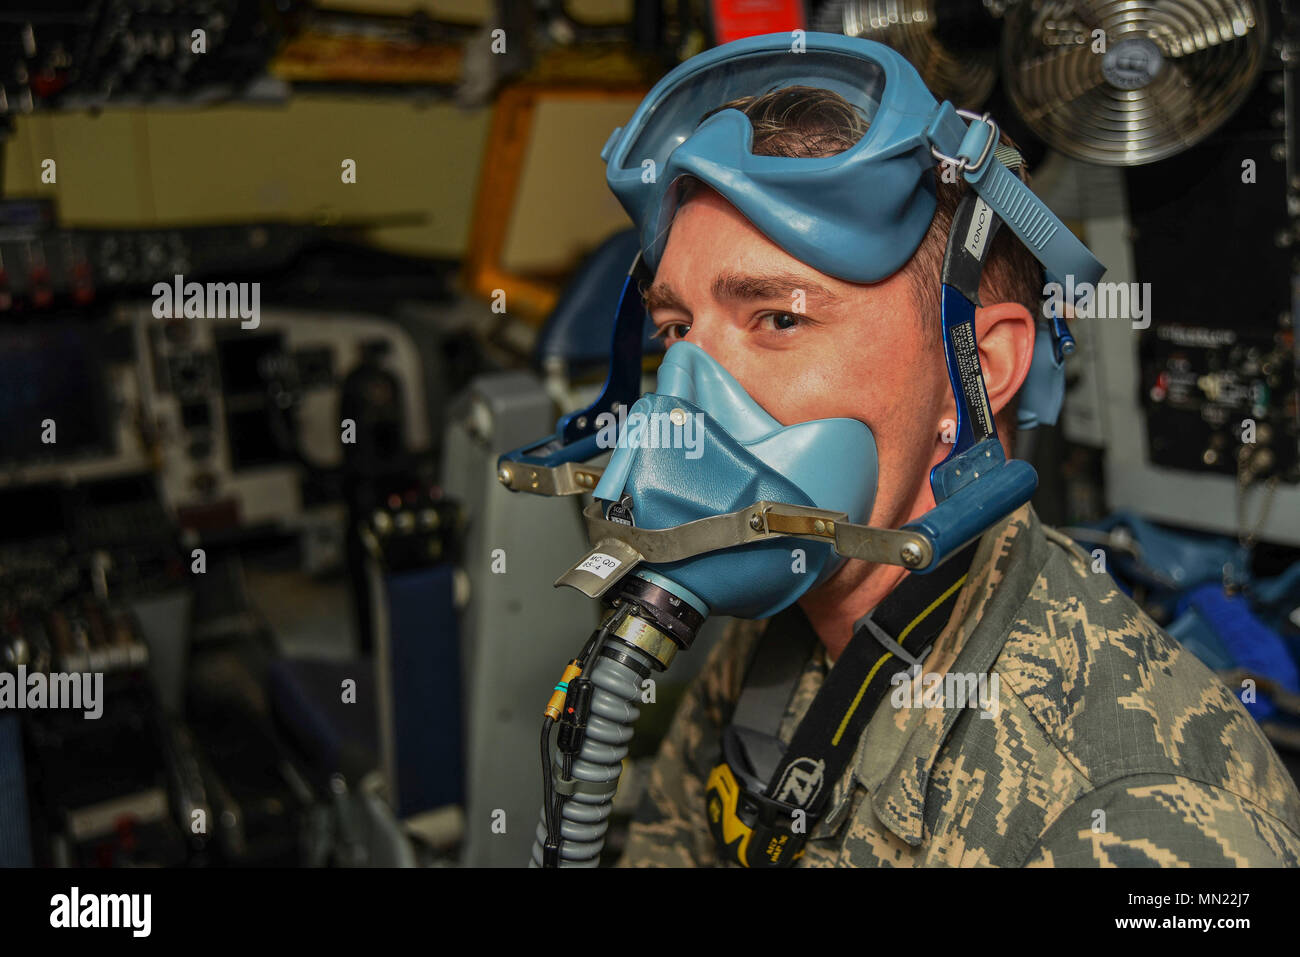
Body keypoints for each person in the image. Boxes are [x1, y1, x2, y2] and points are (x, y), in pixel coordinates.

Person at [608, 38, 1300, 868]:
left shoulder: (1138, 812)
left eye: (780, 318)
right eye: (677, 331)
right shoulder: (781, 622)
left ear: (985, 366)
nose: (682, 399)